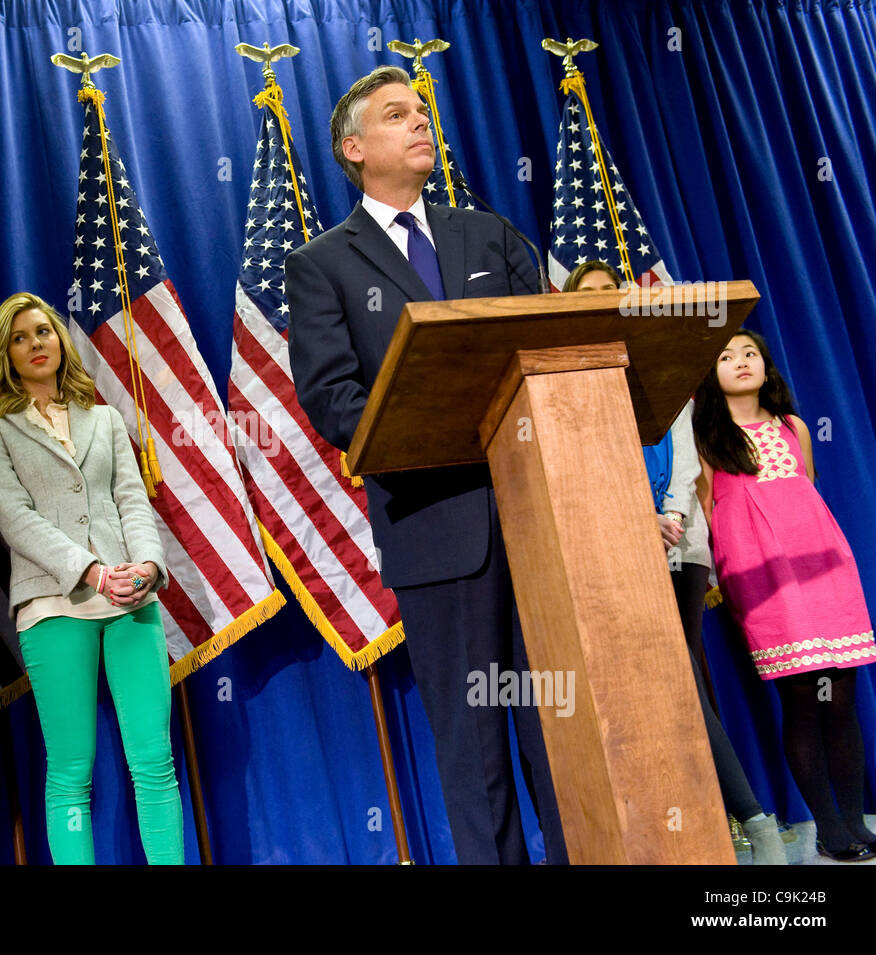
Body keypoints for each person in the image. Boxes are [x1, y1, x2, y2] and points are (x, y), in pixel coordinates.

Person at [285, 65, 565, 864]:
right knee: (473, 741)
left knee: (561, 720)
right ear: (353, 147)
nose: (420, 123)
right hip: (435, 529)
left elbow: (546, 350)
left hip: (537, 517)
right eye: (397, 114)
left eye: (423, 111)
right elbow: (333, 397)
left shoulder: (489, 232)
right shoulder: (322, 265)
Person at [567, 262, 787, 863]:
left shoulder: (662, 368)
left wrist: (669, 518)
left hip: (678, 547)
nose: (602, 301)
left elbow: (687, 462)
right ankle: (723, 826)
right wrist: (635, 519)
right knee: (667, 689)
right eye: (587, 296)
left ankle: (748, 824)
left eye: (611, 292)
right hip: (615, 547)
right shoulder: (568, 382)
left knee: (680, 682)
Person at [0, 291, 183, 865]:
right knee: (70, 770)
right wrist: (90, 571)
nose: (35, 344)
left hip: (132, 601)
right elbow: (16, 518)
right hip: (52, 604)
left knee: (155, 762)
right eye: (19, 338)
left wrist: (148, 567)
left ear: (60, 341)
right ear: (5, 355)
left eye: (43, 332)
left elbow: (132, 500)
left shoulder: (106, 418)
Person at [695, 328, 876, 862]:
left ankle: (854, 820)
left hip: (822, 567)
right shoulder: (709, 437)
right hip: (764, 579)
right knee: (801, 699)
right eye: (727, 357)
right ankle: (827, 828)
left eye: (750, 352)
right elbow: (711, 512)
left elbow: (807, 493)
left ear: (766, 366)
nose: (741, 362)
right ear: (712, 374)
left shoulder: (793, 426)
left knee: (839, 697)